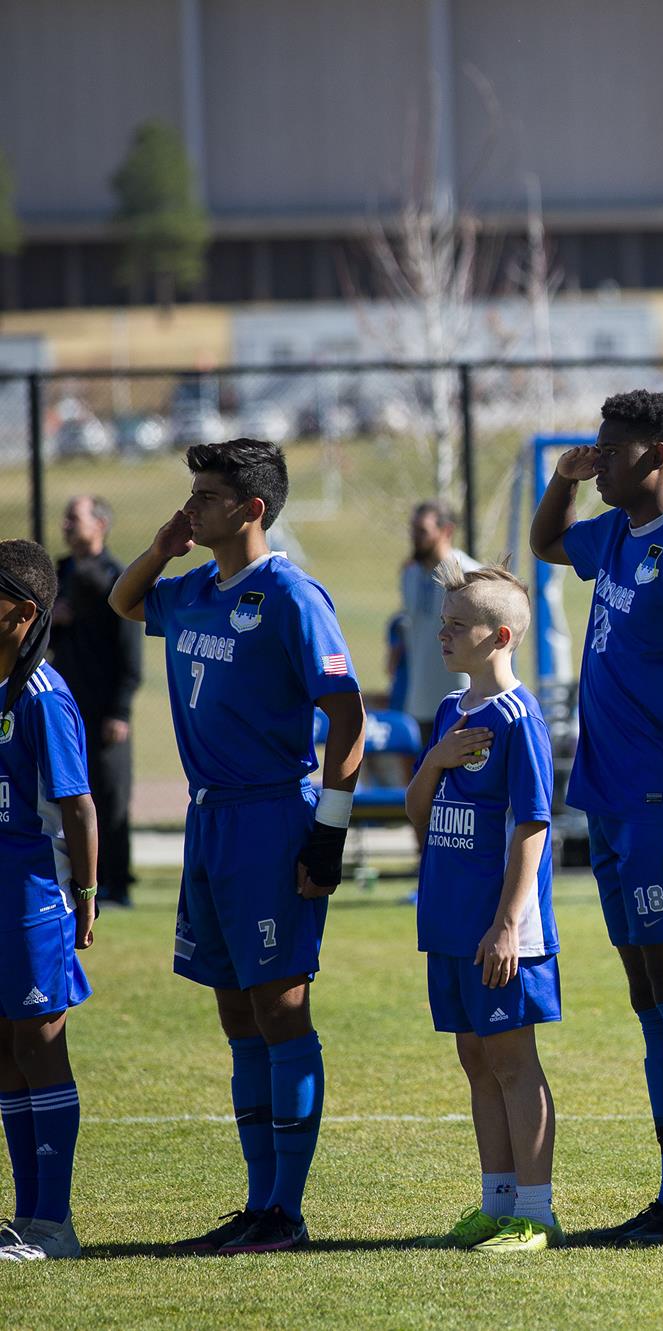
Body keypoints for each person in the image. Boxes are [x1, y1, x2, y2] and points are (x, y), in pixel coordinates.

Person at [108, 438, 365, 1255]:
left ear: (251, 509)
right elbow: (124, 601)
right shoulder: (191, 589)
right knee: (235, 1010)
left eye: (207, 496)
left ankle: (286, 1209)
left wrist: (328, 833)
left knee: (281, 1007)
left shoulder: (290, 594)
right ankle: (257, 1203)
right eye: (191, 493)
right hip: (209, 820)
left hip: (270, 817)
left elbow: (348, 714)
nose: (192, 506)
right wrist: (161, 546)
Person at [528, 391, 663, 1246]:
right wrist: (563, 478)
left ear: (658, 454)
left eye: (610, 451)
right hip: (612, 800)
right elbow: (547, 543)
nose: (598, 462)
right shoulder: (618, 533)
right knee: (647, 994)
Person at [404, 565, 562, 1254]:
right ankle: (496, 1204)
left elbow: (532, 827)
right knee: (474, 1056)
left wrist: (506, 926)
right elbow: (418, 813)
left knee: (512, 1060)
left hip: (502, 929)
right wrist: (435, 760)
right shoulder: (451, 712)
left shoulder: (519, 720)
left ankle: (536, 1212)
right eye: (443, 621)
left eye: (457, 624)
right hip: (449, 921)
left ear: (499, 637)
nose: (443, 634)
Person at [0, 541, 98, 1262]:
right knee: (5, 1047)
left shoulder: (42, 695)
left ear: (23, 613)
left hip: (36, 896)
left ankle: (54, 1223)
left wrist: (86, 894)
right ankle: (25, 1216)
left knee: (39, 1042)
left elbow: (79, 806)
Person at [51, 495, 142, 908]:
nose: (66, 526)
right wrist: (50, 618)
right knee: (65, 791)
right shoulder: (60, 574)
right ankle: (74, 876)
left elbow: (130, 654)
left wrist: (120, 710)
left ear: (100, 524)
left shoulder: (117, 578)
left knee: (110, 794)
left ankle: (116, 884)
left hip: (104, 708)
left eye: (75, 518)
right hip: (63, 705)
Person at [395, 502, 479, 742]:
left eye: (422, 531)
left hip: (462, 700)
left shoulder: (469, 575)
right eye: (413, 530)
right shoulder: (410, 574)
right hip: (420, 701)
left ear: (447, 530)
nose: (414, 537)